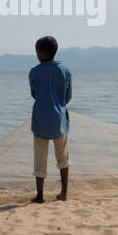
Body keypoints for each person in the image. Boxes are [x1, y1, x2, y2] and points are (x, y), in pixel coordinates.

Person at [30, 35, 71, 202]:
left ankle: (40, 196)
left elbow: (34, 94)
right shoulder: (64, 71)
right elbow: (67, 97)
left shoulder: (34, 72)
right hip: (60, 120)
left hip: (40, 120)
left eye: (37, 51)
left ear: (41, 53)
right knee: (63, 157)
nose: (36, 54)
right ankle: (64, 193)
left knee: (40, 159)